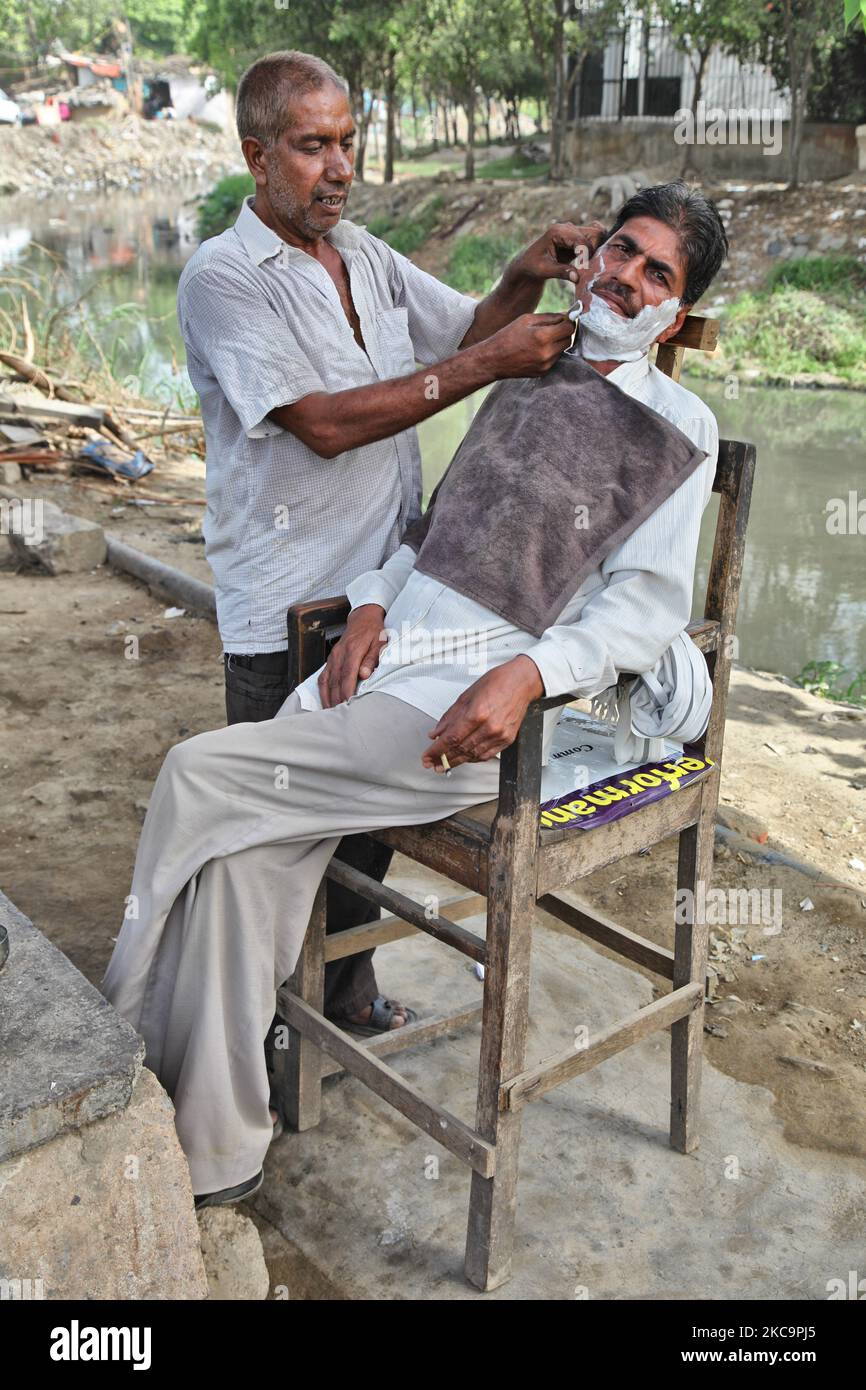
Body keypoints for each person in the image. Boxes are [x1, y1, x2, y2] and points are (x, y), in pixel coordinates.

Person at [103, 180, 728, 1208]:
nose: (623, 276)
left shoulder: (677, 426)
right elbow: (436, 534)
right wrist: (368, 604)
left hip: (473, 718)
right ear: (592, 255)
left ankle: (114, 1030)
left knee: (194, 774)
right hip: (397, 659)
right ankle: (217, 1147)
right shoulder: (532, 369)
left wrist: (528, 673)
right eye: (619, 250)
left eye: (654, 271)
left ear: (676, 306)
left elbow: (643, 616)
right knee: (246, 864)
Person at [177, 47, 603, 1049]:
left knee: (369, 819)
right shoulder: (224, 277)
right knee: (277, 829)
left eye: (348, 142)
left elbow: (464, 329)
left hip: (386, 597)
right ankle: (260, 1039)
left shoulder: (361, 254)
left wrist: (517, 279)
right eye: (311, 146)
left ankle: (347, 995)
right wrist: (485, 367)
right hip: (287, 599)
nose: (338, 167)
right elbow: (322, 423)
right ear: (256, 154)